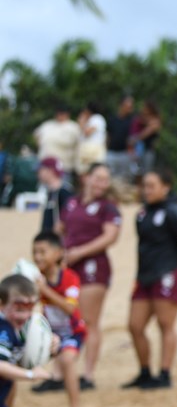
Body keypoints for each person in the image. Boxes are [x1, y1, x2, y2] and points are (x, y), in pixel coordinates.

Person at [123, 169, 177, 391]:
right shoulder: (142, 214)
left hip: (168, 273)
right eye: (144, 186)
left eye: (151, 186)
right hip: (145, 275)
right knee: (135, 325)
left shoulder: (175, 213)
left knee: (165, 324)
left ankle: (165, 374)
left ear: (165, 187)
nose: (146, 190)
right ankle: (145, 372)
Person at [59, 162, 122, 390]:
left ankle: (88, 374)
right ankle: (60, 373)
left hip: (94, 267)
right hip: (69, 266)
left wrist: (80, 252)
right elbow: (60, 228)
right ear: (86, 178)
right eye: (98, 178)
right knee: (65, 319)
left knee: (89, 320)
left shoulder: (108, 207)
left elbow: (110, 237)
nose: (101, 184)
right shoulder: (72, 202)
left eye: (105, 180)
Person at [0, 274, 55, 407]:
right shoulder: (3, 330)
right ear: (1, 304)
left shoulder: (21, 328)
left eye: (30, 308)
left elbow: (23, 359)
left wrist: (49, 348)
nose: (25, 315)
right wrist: (31, 375)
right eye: (19, 308)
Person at [29, 232, 87, 407]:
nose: (38, 257)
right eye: (35, 252)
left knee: (67, 360)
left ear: (58, 253)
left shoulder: (70, 277)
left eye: (42, 252)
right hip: (49, 334)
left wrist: (44, 290)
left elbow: (70, 308)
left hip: (72, 332)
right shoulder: (35, 279)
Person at [33, 103, 81, 183]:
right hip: (44, 166)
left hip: (63, 167)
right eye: (58, 113)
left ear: (67, 114)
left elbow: (78, 145)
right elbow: (37, 135)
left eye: (62, 113)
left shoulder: (73, 127)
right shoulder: (48, 125)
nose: (60, 115)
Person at [37, 157, 72, 235]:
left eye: (40, 170)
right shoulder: (51, 192)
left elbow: (69, 217)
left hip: (57, 239)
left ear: (50, 171)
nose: (38, 173)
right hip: (48, 239)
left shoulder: (64, 192)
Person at [106, 94, 137, 182]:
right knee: (109, 177)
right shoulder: (112, 119)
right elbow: (108, 136)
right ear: (121, 105)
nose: (130, 108)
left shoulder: (132, 120)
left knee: (124, 179)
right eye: (128, 105)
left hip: (125, 153)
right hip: (112, 152)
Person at [130, 100, 162, 176]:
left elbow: (145, 134)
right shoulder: (142, 119)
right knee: (137, 172)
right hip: (139, 150)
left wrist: (134, 140)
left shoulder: (155, 120)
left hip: (148, 151)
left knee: (146, 172)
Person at [76, 101, 107, 174]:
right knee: (85, 172)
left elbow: (87, 132)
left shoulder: (97, 118)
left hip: (93, 150)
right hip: (89, 149)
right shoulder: (92, 119)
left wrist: (82, 121)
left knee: (92, 171)